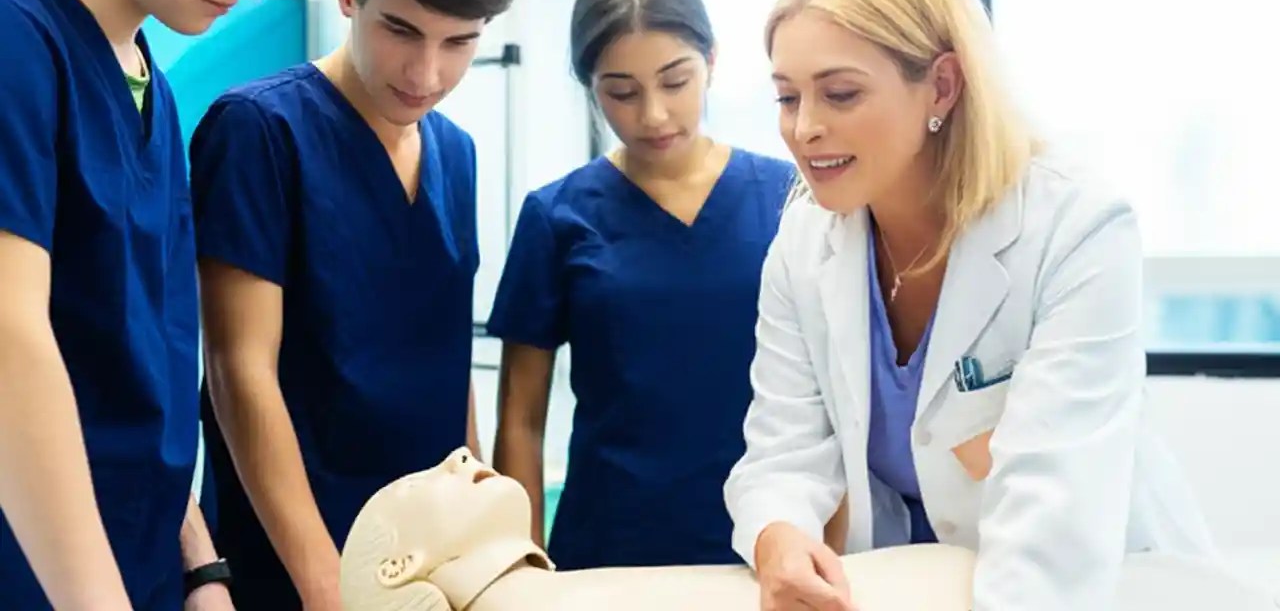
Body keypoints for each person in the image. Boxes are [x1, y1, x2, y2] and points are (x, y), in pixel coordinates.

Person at [721, 0, 1217, 611]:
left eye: (840, 94)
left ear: (943, 87)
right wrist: (777, 534)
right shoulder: (803, 243)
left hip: (1086, 581)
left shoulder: (1077, 228)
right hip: (912, 574)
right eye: (786, 97)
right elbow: (782, 449)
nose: (805, 128)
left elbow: (1054, 516)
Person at [186, 0, 516, 609]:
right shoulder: (259, 132)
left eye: (459, 42)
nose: (426, 74)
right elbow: (239, 370)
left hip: (432, 564)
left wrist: (485, 529)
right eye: (401, 29)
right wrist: (323, 582)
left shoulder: (456, 155)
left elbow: (446, 357)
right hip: (294, 565)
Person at [0, 0, 322, 608]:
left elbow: (144, 375)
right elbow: (8, 343)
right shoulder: (15, 42)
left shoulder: (152, 86)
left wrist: (199, 564)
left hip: (144, 566)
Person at [487, 0, 796, 571]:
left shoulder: (790, 199)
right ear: (591, 87)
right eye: (621, 93)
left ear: (711, 61)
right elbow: (520, 419)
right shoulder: (556, 216)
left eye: (675, 82)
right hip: (607, 551)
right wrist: (523, 567)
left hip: (763, 545)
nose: (652, 114)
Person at [337, 449, 1275, 611]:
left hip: (1036, 569)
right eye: (433, 481)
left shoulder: (1068, 217)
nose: (459, 460)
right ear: (406, 565)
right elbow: (785, 442)